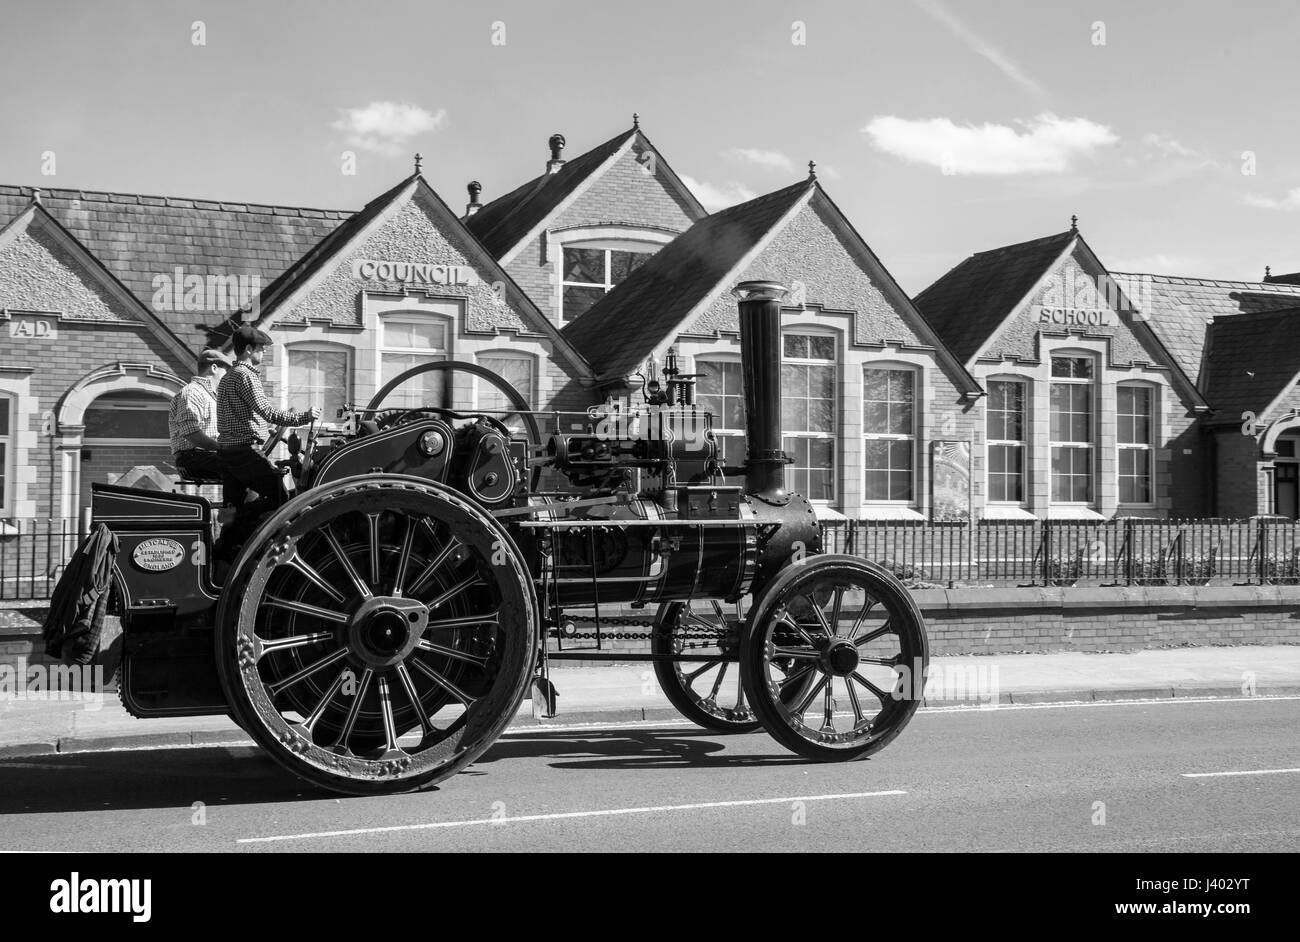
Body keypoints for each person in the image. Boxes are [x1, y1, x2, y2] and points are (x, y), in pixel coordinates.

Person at [215, 325, 319, 553]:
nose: (264, 353)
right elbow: (268, 412)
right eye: (262, 349)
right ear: (250, 350)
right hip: (244, 451)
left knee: (236, 504)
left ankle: (226, 553)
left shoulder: (227, 377)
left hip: (227, 452)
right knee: (282, 498)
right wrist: (304, 416)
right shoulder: (246, 376)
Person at [168, 348, 233, 481]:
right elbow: (191, 433)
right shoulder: (192, 392)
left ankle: (239, 500)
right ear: (214, 368)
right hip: (193, 459)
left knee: (250, 463)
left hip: (205, 456)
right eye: (226, 372)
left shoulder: (211, 396)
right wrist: (222, 448)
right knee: (248, 466)